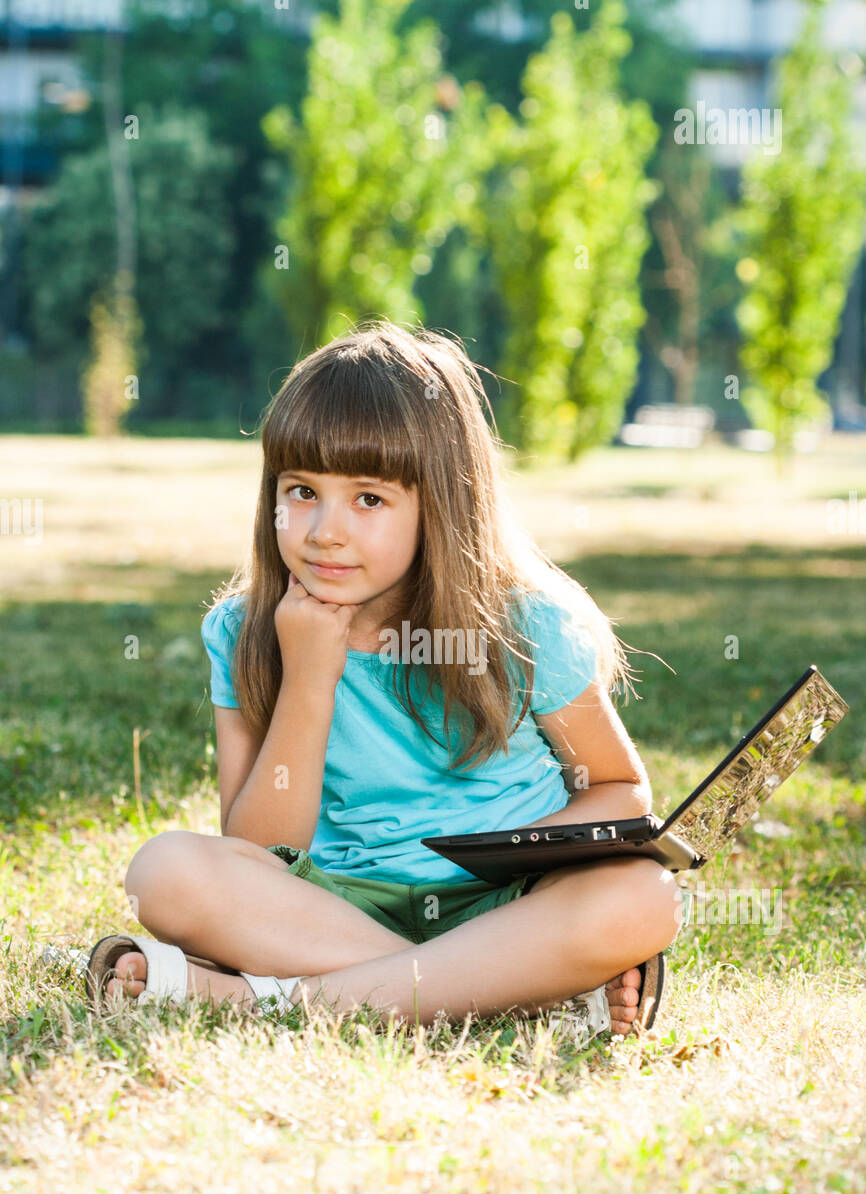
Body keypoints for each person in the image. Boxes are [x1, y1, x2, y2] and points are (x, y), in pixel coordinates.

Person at [90, 320, 687, 1036]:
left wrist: (521, 850)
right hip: (336, 908)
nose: (324, 532)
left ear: (440, 504)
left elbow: (618, 789)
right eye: (302, 491)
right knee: (165, 872)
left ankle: (260, 1001)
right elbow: (259, 850)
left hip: (506, 903)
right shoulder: (243, 628)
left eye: (368, 499)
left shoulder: (526, 623)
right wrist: (310, 674)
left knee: (645, 896)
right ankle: (513, 991)